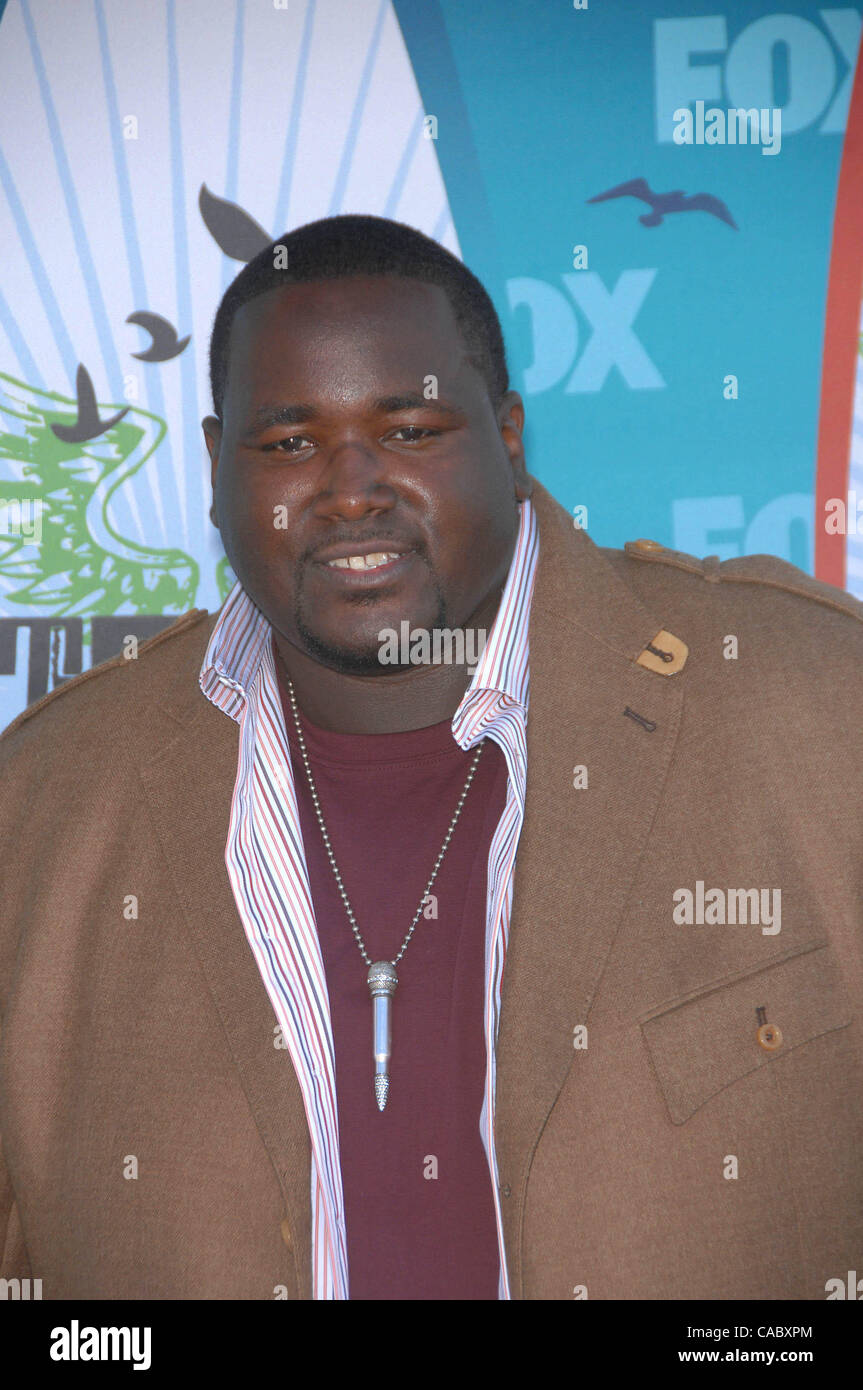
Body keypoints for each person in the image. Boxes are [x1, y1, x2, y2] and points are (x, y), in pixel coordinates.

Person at [1, 214, 861, 1301]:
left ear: (506, 438)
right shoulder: (36, 807)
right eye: (286, 441)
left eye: (407, 428)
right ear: (215, 465)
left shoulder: (817, 708)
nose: (351, 487)